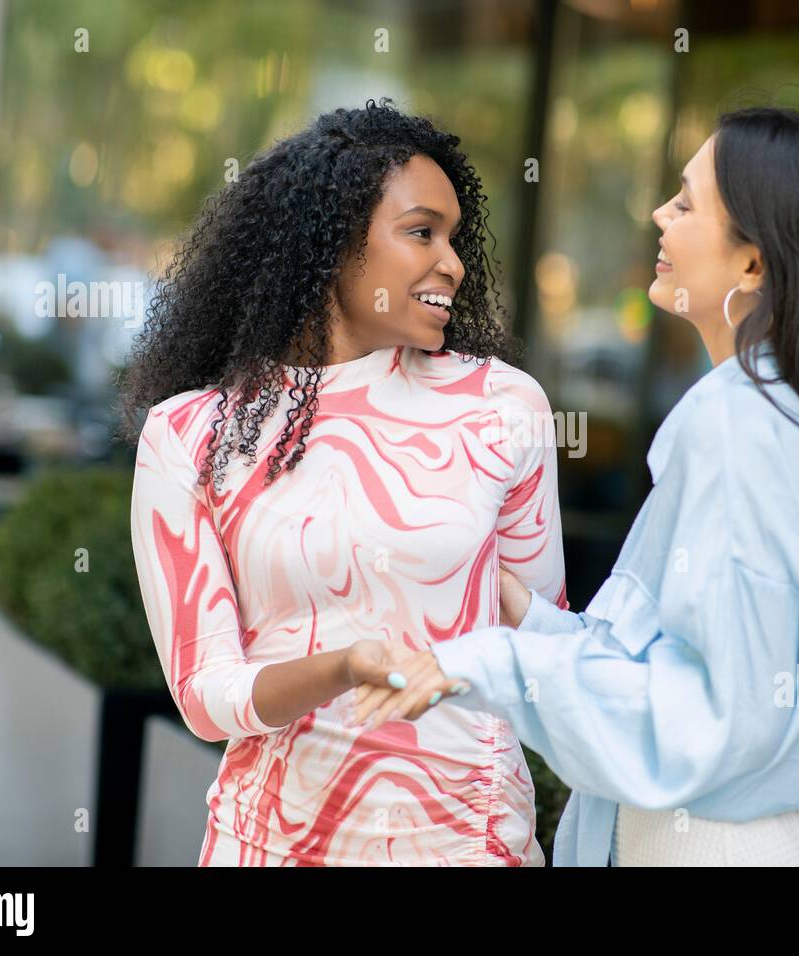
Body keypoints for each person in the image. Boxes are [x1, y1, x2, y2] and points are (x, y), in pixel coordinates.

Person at [354, 106, 799, 866]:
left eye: (686, 202)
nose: (660, 214)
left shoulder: (739, 423)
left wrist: (483, 663)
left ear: (754, 263)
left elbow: (707, 718)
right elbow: (677, 666)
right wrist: (517, 609)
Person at [122, 99, 567, 866]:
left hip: (469, 843)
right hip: (272, 843)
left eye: (455, 237)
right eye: (421, 231)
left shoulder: (503, 407)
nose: (454, 262)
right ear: (327, 245)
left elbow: (546, 645)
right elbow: (204, 694)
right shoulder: (190, 435)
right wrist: (342, 666)